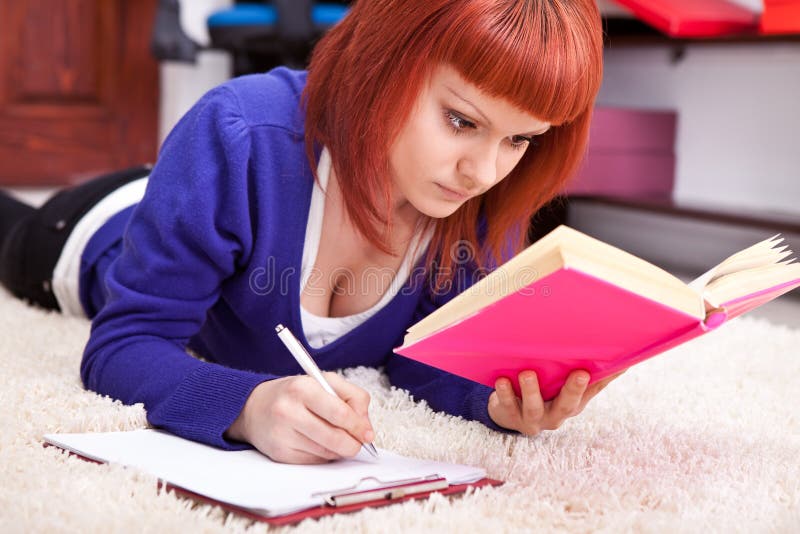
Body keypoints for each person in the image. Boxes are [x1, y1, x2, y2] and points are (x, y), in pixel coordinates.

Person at [0, 0, 621, 464]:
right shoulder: (233, 134)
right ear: (386, 60)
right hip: (89, 227)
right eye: (461, 120)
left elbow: (421, 358)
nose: (483, 171)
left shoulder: (483, 195)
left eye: (518, 139)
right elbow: (122, 345)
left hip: (208, 184)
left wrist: (491, 401)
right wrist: (246, 408)